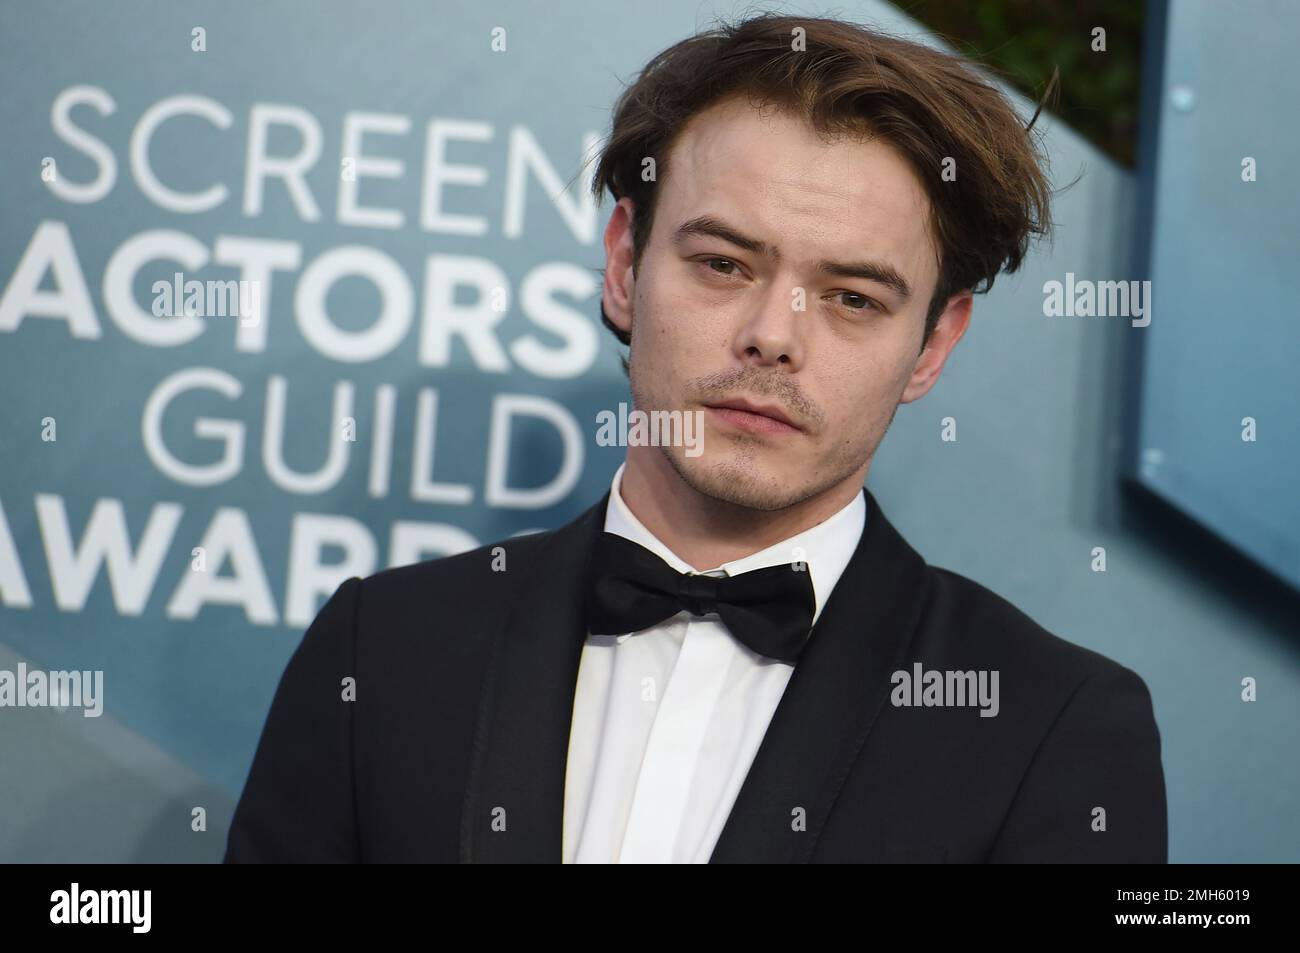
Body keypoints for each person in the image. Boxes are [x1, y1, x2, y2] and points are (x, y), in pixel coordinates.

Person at [225, 13, 1166, 863]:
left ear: (934, 345)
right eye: (723, 262)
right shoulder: (380, 649)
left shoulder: (1053, 730)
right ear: (626, 264)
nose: (774, 334)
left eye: (852, 298)